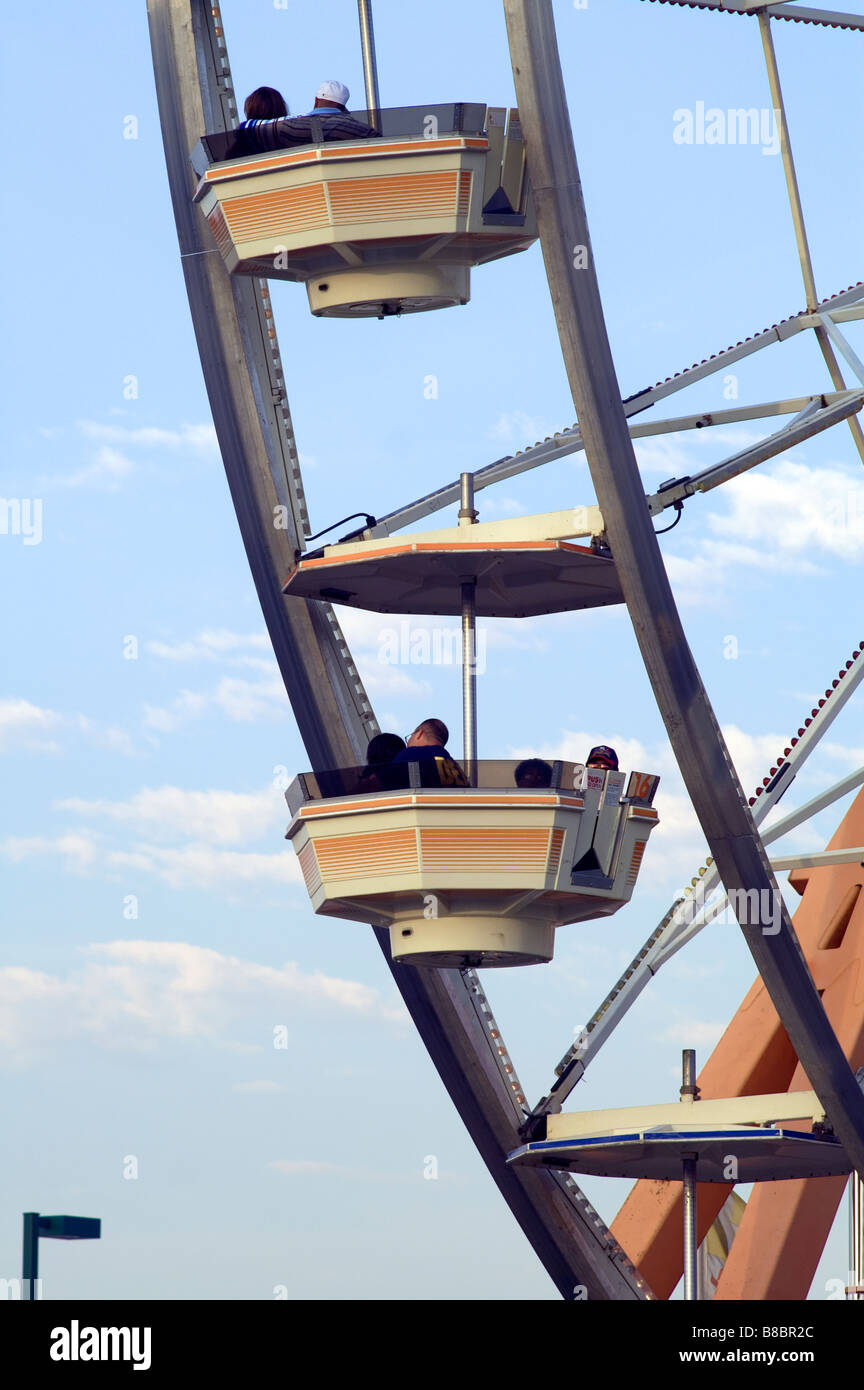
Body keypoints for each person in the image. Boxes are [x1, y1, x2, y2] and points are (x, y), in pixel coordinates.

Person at [393, 719, 468, 786]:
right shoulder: (454, 766)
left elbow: (387, 783)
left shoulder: (411, 754)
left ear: (419, 733)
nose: (408, 744)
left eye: (410, 737)